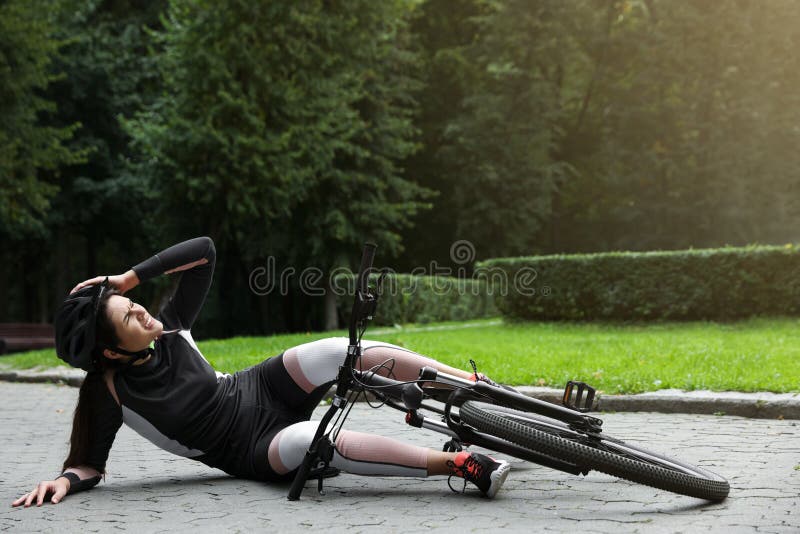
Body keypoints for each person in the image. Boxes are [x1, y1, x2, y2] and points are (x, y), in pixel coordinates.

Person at [11, 237, 511, 509]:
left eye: (134, 303)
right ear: (114, 353)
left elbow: (204, 250)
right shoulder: (111, 392)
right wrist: (65, 482)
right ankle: (461, 465)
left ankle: (475, 386)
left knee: (338, 348)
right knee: (313, 441)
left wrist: (129, 277)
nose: (143, 313)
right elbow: (88, 464)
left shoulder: (172, 326)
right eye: (129, 318)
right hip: (254, 448)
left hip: (259, 384)